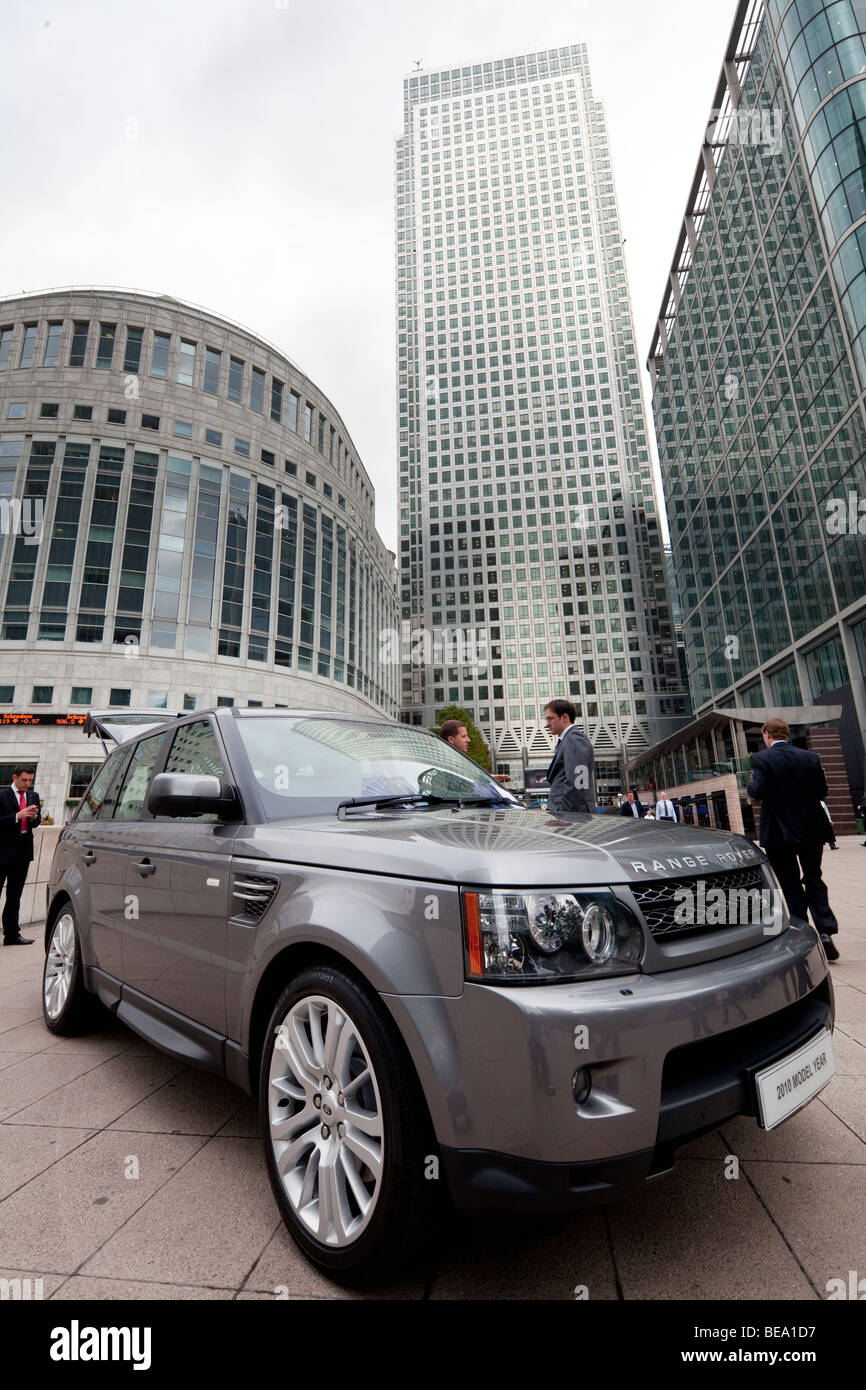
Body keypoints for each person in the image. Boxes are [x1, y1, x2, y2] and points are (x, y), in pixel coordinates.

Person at [747, 719, 840, 960]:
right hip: (811, 828)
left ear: (767, 735)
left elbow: (757, 791)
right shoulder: (810, 758)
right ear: (787, 735)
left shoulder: (762, 759)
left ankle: (803, 932)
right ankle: (826, 931)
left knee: (789, 883)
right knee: (814, 877)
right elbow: (822, 792)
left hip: (778, 832)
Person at [0, 765, 42, 946]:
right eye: (24, 780)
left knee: (14, 895)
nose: (27, 784)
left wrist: (34, 818)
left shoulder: (33, 796)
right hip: (2, 852)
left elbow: (37, 823)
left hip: (23, 853)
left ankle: (12, 934)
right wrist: (16, 816)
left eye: (30, 781)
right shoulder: (1, 795)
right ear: (14, 777)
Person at [543, 699, 595, 814]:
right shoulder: (568, 739)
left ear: (565, 718)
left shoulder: (574, 738)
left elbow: (578, 783)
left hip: (572, 817)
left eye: (550, 719)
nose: (547, 724)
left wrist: (563, 814)